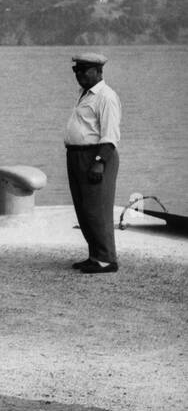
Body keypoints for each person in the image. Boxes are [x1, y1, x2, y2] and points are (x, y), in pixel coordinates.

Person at [65, 52, 122, 274]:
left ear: (98, 71)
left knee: (97, 209)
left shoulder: (106, 96)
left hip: (95, 156)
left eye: (84, 69)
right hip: (77, 156)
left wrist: (99, 162)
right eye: (76, 70)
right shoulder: (84, 94)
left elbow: (110, 135)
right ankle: (95, 255)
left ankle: (107, 259)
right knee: (84, 209)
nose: (78, 74)